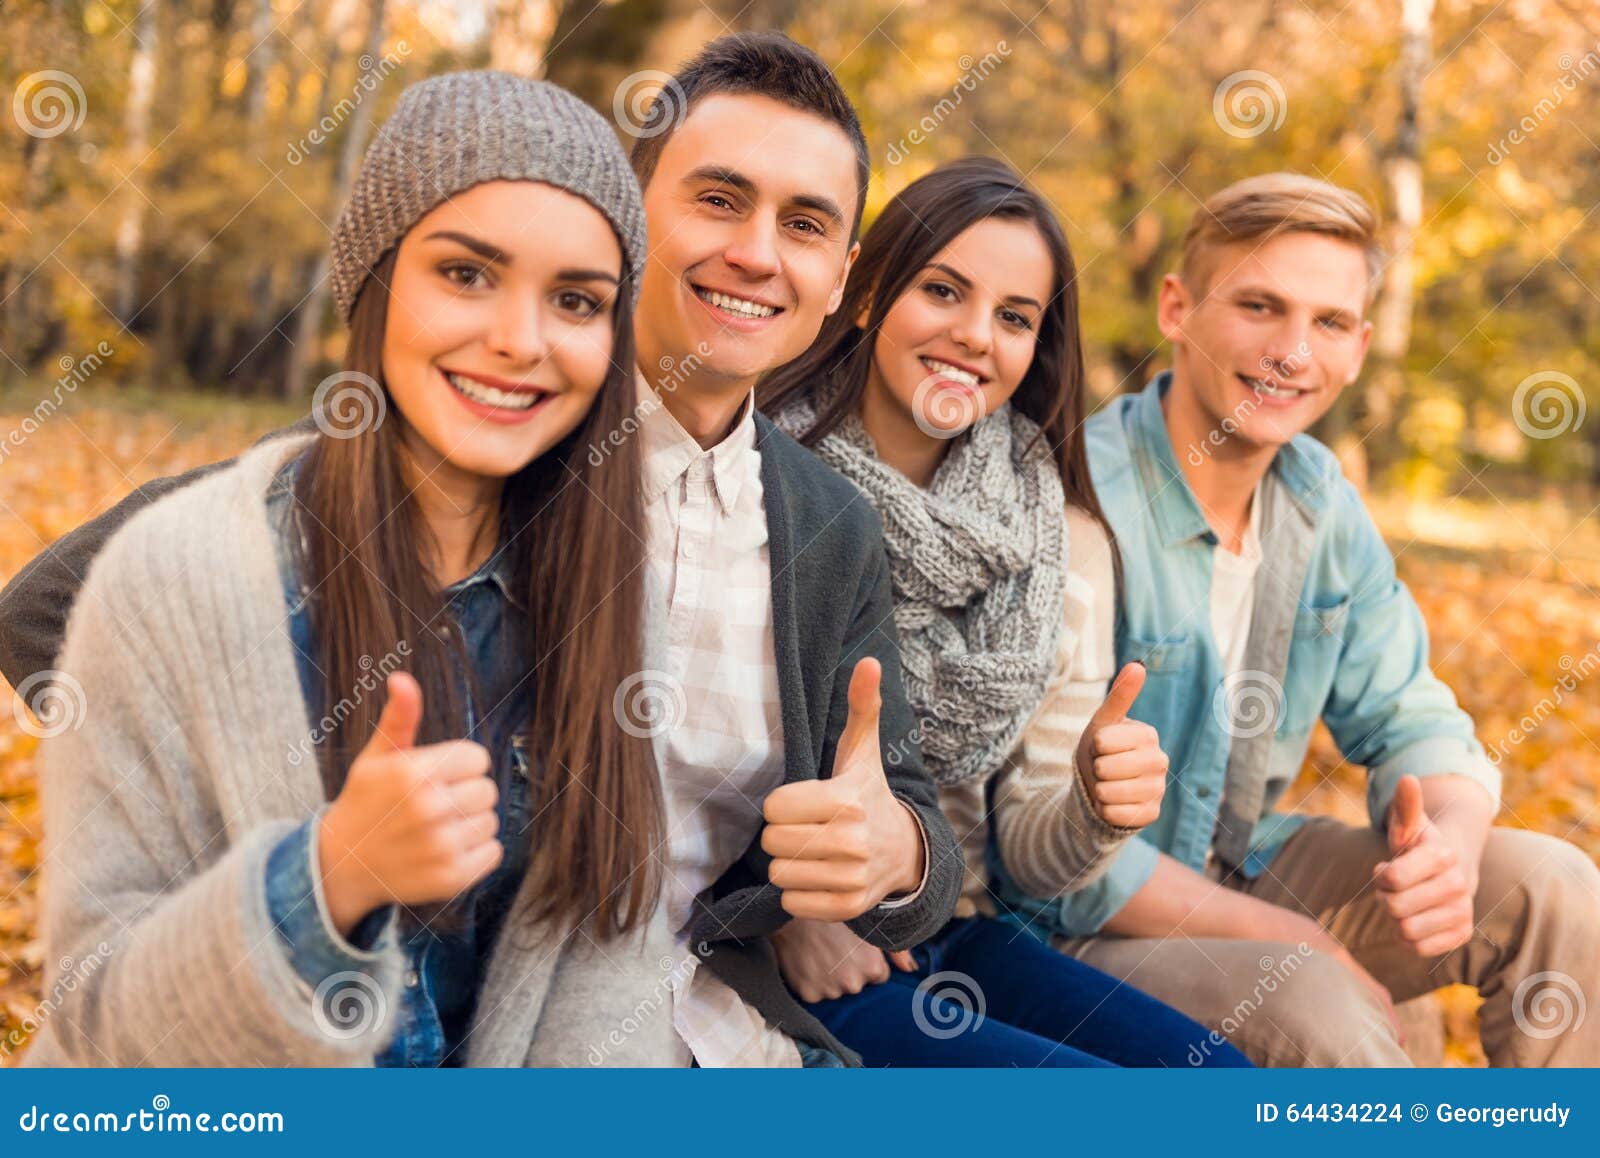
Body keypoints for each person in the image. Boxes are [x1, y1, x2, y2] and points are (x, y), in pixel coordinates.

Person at [6, 35, 962, 1067]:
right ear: (633, 220)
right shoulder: (470, 449)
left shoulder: (827, 526)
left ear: (839, 281)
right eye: (719, 199)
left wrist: (885, 861)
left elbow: (892, 805)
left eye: (804, 224)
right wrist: (252, 810)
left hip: (684, 1013)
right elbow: (55, 610)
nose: (758, 253)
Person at [996, 172, 1600, 1067]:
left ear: (1358, 347)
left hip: (1240, 861)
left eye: (1327, 323)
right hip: (1076, 926)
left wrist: (1451, 846)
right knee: (1315, 1002)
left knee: (1556, 887)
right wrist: (1305, 940)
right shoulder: (1078, 497)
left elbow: (1412, 718)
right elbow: (1057, 861)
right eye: (1259, 306)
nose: (1292, 352)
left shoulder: (1320, 503)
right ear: (1177, 308)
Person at [759, 157, 1250, 1067]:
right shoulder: (760, 474)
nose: (975, 336)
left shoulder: (1061, 540)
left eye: (1015, 317)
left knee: (1219, 1080)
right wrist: (782, 913)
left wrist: (1094, 808)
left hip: (954, 923)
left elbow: (1026, 859)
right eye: (943, 290)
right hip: (789, 938)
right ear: (868, 294)